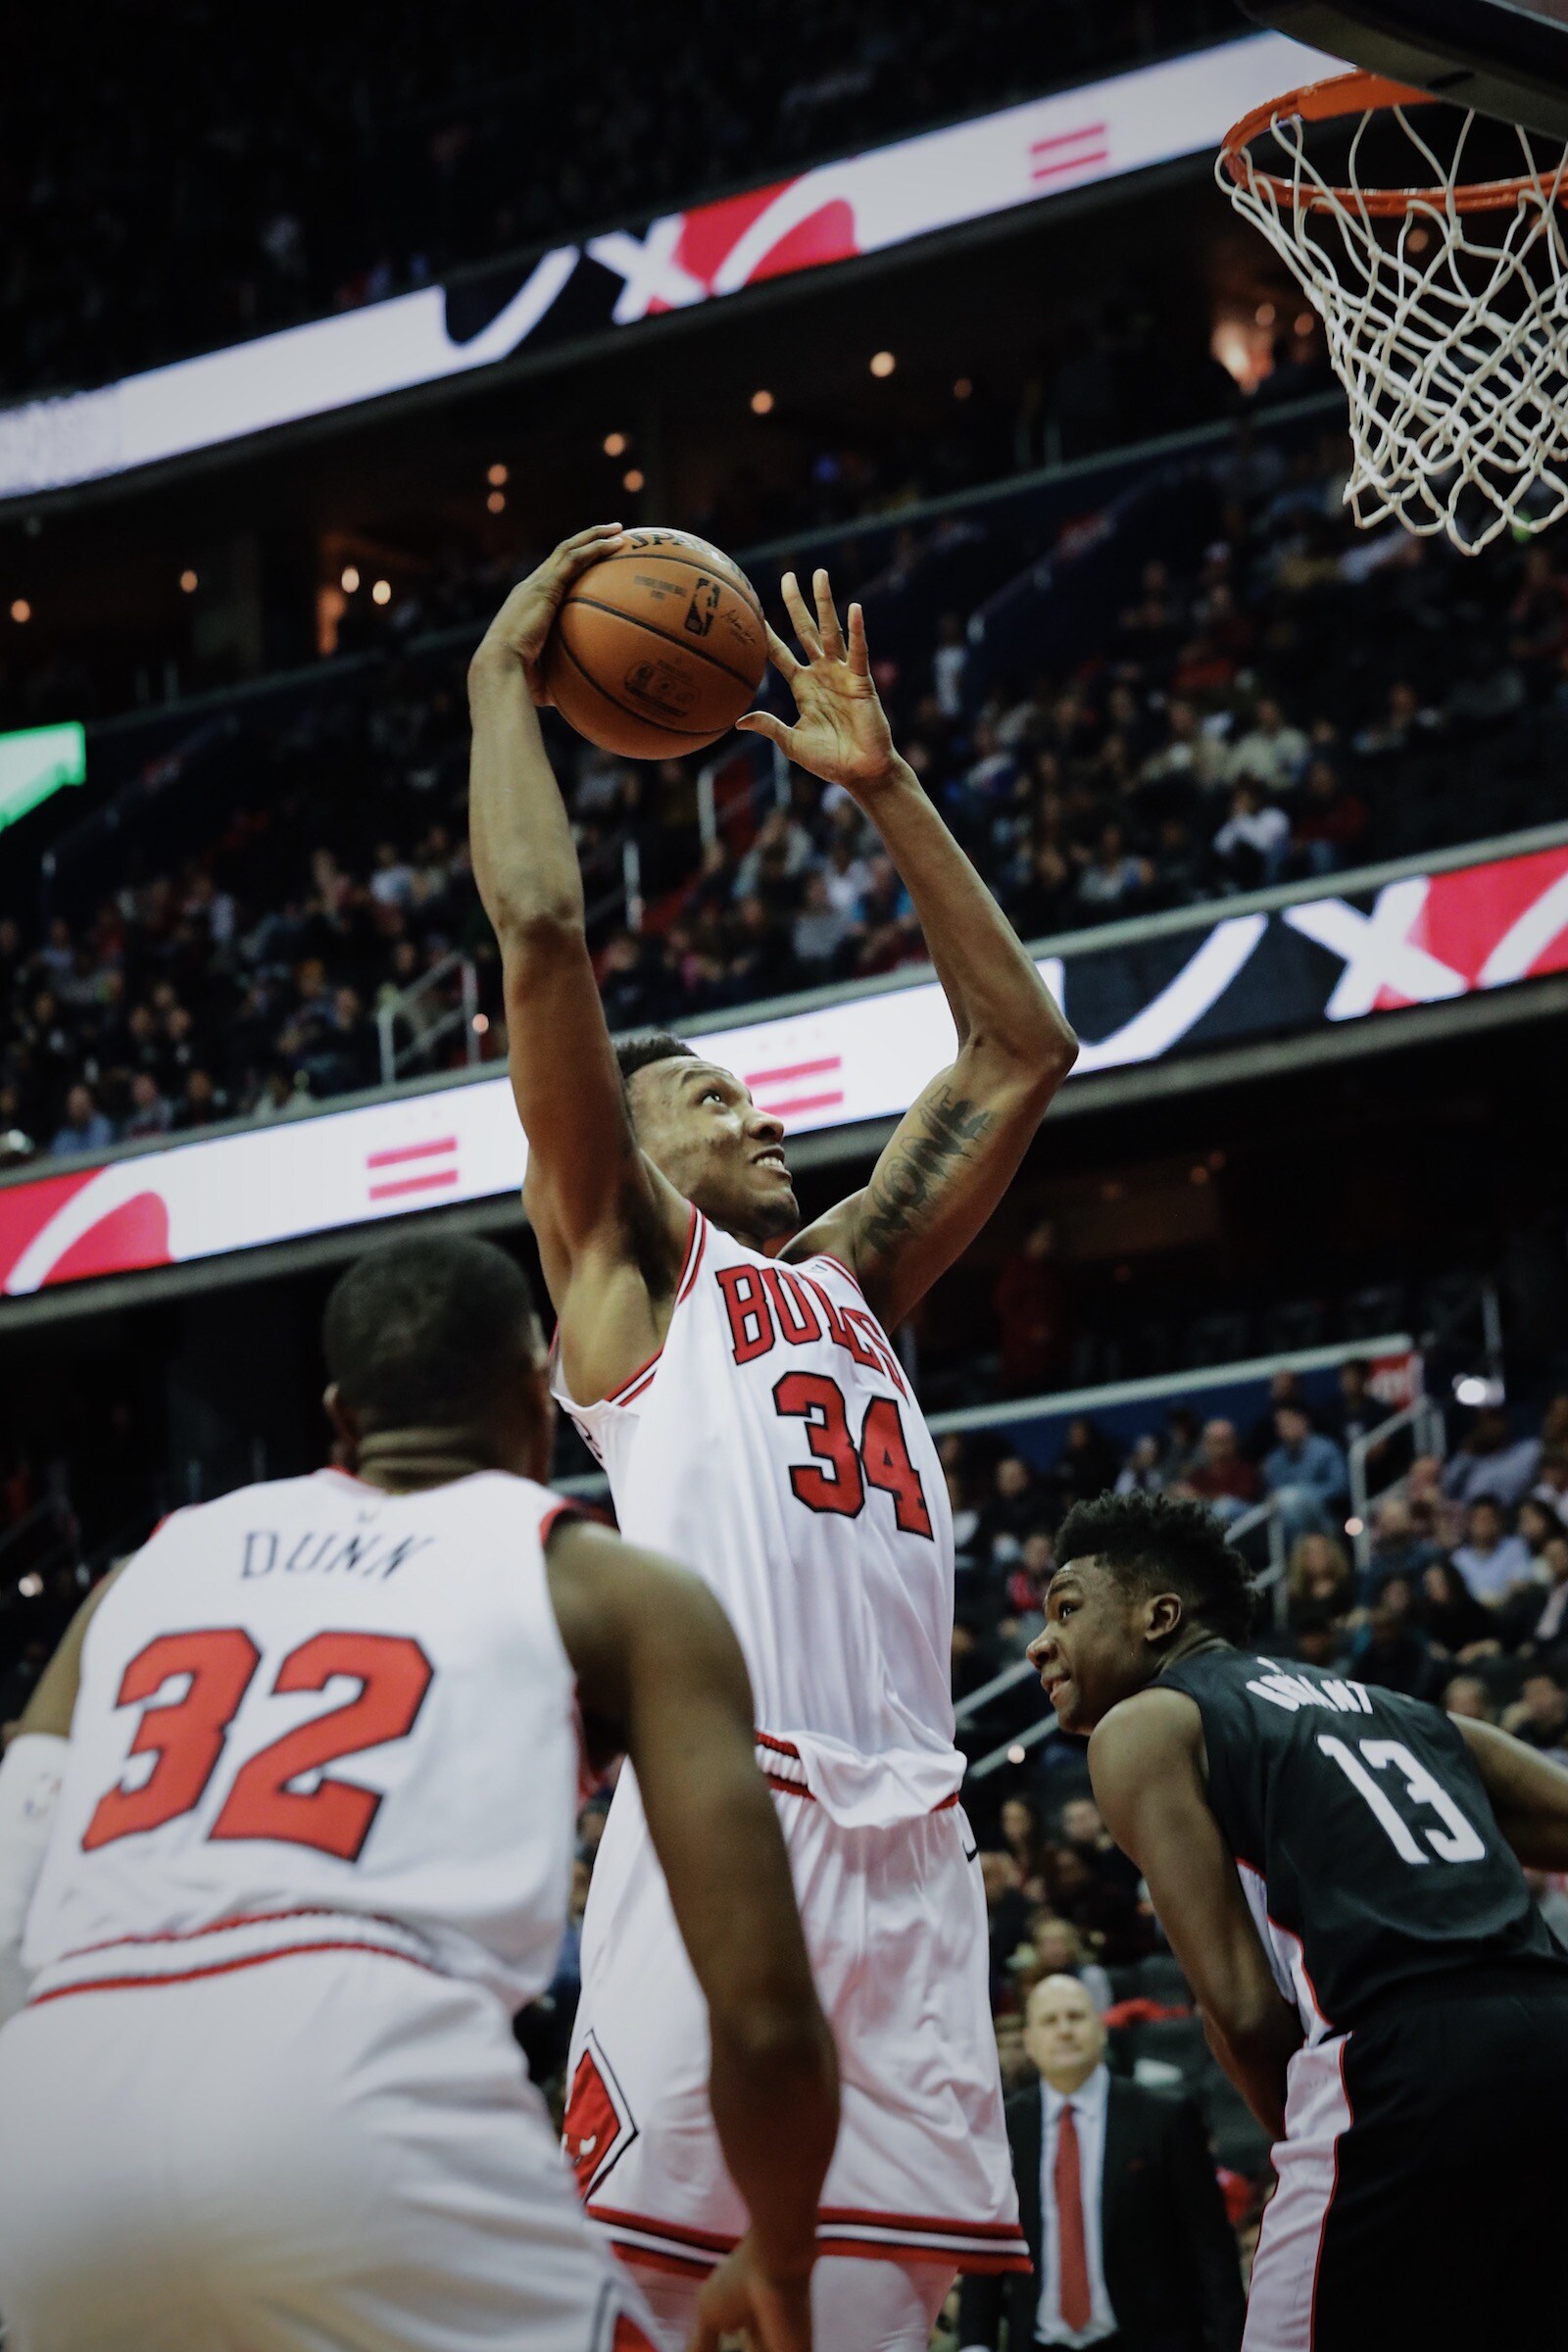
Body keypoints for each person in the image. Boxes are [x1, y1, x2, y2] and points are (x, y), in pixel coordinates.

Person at [469, 531, 1077, 2343]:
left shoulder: (851, 1277)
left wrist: (885, 790)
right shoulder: (632, 1275)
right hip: (742, 1827)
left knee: (878, 2325)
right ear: (629, 1143)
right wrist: (502, 688)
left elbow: (1022, 1049)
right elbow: (543, 935)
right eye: (709, 1098)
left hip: (918, 1845)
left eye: (752, 1092)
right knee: (667, 2317)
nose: (759, 1114)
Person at [0, 1236, 839, 2352]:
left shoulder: (137, 1577)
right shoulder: (607, 1586)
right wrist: (781, 2255)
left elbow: (11, 1889)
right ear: (537, 1398)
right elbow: (766, 2017)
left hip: (53, 2118)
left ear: (340, 1419)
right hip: (351, 2090)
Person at [1028, 1489, 1568, 2352]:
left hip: (1392, 2061)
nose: (1038, 1642)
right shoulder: (1402, 1711)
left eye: (1066, 1609)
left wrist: (1312, 2150)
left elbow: (1243, 2013)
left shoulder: (1145, 1726)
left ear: (1159, 1616)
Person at [956, 1974, 1245, 2352]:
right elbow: (987, 2251)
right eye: (1049, 2021)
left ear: (1100, 2029)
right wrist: (975, 2343)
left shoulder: (1163, 2117)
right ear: (1030, 2042)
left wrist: (1232, 2341)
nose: (1064, 2030)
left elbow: (1211, 2247)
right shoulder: (1005, 2129)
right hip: (1039, 2343)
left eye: (1075, 2017)